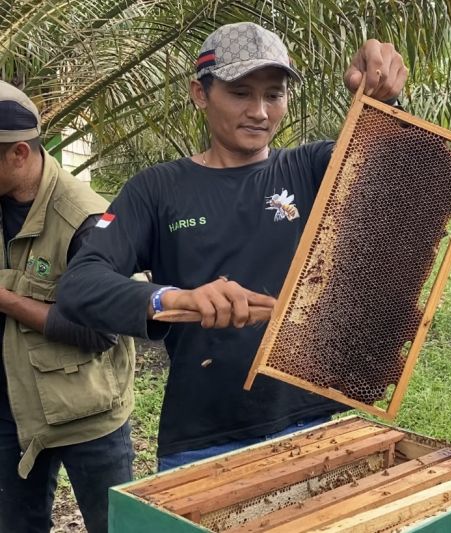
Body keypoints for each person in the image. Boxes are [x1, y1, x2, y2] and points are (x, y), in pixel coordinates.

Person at [58, 22, 408, 471]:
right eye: (241, 93)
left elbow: (399, 178)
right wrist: (174, 298)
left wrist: (383, 104)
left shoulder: (312, 169)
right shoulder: (156, 189)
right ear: (200, 93)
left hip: (317, 420)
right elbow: (80, 284)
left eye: (274, 94)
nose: (260, 111)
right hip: (203, 439)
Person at [0, 81, 137, 533]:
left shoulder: (85, 220)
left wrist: (6, 300)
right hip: (13, 408)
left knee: (112, 525)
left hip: (87, 415)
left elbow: (101, 333)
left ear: (19, 154)